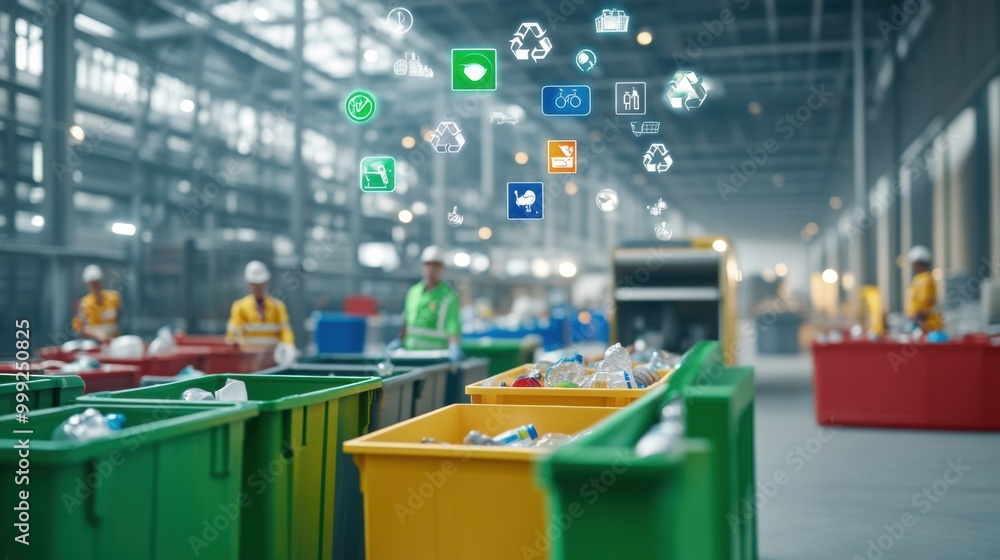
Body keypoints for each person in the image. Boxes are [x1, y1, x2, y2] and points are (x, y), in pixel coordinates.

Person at [391, 246, 463, 362]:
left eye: (436, 265)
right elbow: (406, 322)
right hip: (410, 355)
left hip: (435, 359)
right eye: (428, 264)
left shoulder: (449, 297)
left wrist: (454, 347)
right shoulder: (413, 292)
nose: (431, 268)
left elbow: (453, 329)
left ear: (442, 268)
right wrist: (399, 341)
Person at [226, 261, 295, 360]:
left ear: (266, 283)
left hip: (272, 360)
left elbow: (285, 331)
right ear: (249, 284)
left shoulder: (277, 306)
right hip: (247, 360)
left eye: (261, 284)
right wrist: (233, 342)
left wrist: (288, 346)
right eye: (255, 284)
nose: (258, 287)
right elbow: (232, 336)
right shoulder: (240, 307)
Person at [72, 264, 122, 342]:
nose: (95, 286)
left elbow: (121, 319)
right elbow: (79, 328)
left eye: (97, 283)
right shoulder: (85, 304)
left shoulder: (114, 298)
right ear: (88, 285)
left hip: (115, 340)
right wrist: (97, 334)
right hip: (94, 343)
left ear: (101, 282)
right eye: (92, 284)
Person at [905, 245, 943, 332]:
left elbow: (924, 301)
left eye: (917, 264)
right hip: (920, 321)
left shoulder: (925, 279)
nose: (915, 266)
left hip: (927, 323)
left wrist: (918, 318)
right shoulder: (918, 279)